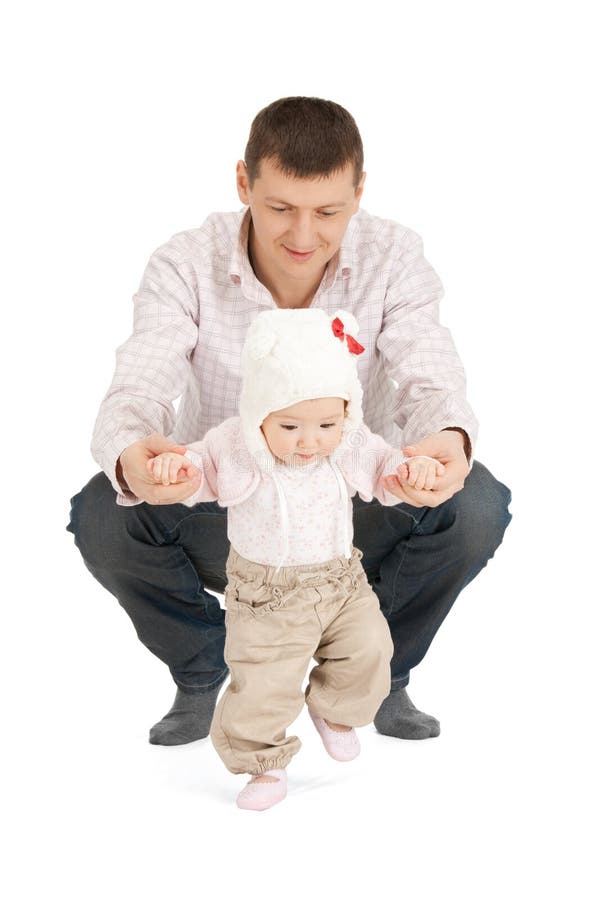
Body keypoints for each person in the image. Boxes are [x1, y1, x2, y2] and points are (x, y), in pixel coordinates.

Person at [67, 96, 512, 749]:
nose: (303, 237)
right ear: (244, 183)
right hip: (235, 512)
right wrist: (135, 449)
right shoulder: (185, 262)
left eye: (328, 212)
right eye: (279, 208)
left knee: (475, 506)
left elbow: (432, 377)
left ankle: (367, 674)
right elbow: (140, 382)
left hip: (352, 511)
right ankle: (205, 670)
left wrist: (444, 441)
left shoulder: (395, 258)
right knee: (103, 512)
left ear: (359, 193)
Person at [145, 307, 442, 810]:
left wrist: (408, 472)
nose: (310, 441)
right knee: (263, 686)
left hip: (341, 580)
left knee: (371, 649)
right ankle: (263, 767)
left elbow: (383, 464)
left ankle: (333, 708)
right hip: (268, 593)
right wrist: (178, 466)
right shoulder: (234, 445)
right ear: (258, 415)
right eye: (289, 426)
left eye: (326, 422)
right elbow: (197, 466)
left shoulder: (346, 442)